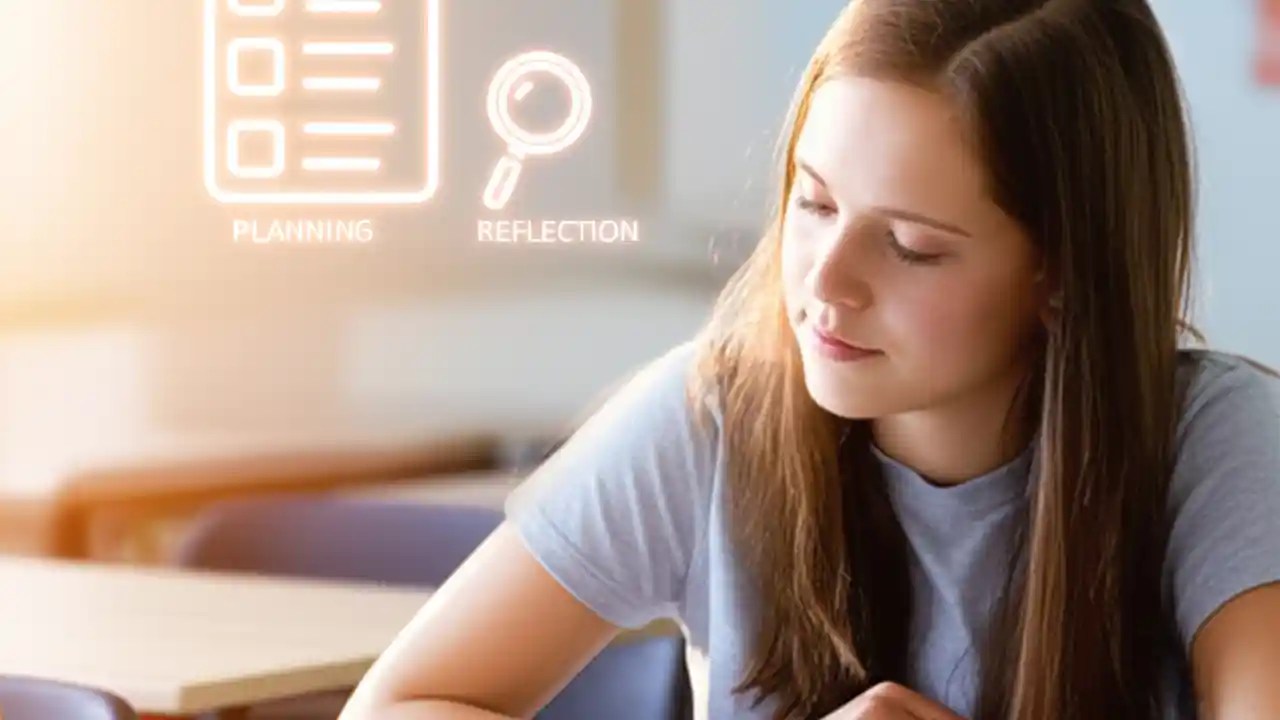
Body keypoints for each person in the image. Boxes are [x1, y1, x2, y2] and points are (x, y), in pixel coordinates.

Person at [338, 1, 1280, 718]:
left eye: (910, 246)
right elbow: (399, 705)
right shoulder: (710, 418)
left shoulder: (1215, 443)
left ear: (1064, 273)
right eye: (816, 203)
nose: (826, 282)